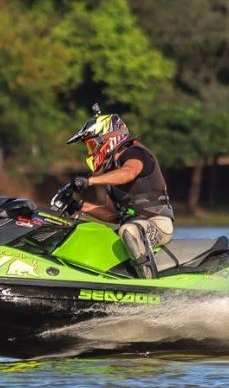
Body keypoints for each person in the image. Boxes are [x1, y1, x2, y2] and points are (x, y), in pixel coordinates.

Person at [64, 105, 174, 279]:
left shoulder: (135, 153)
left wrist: (90, 181)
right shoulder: (112, 174)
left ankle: (149, 284)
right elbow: (112, 215)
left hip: (158, 224)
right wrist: (78, 205)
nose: (90, 152)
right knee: (95, 234)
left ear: (107, 139)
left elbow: (129, 172)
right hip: (133, 225)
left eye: (92, 145)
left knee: (128, 231)